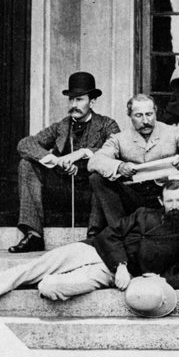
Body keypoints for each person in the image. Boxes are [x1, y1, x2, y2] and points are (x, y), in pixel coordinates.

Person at [0, 179, 179, 306]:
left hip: (117, 275)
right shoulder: (143, 213)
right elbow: (110, 234)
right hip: (96, 251)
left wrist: (162, 279)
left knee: (50, 286)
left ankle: (49, 283)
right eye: (170, 200)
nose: (174, 205)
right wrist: (121, 265)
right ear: (161, 201)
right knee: (33, 268)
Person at [9, 72, 119, 252]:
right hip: (61, 189)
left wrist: (83, 153)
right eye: (71, 100)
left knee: (99, 176)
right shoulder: (62, 125)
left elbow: (116, 151)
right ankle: (33, 235)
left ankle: (93, 237)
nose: (74, 105)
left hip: (90, 191)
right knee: (26, 164)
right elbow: (26, 144)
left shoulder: (107, 125)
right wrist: (55, 160)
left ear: (92, 102)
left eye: (79, 100)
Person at [88, 94, 179, 226]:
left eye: (149, 114)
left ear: (155, 112)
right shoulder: (119, 138)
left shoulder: (173, 132)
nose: (145, 121)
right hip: (133, 195)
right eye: (138, 115)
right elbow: (95, 160)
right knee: (96, 178)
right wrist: (119, 166)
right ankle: (119, 228)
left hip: (165, 195)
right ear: (130, 116)